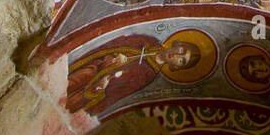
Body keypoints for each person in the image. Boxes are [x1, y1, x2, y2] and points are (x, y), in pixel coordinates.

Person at [64, 34, 200, 114]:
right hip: (93, 65)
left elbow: (116, 94)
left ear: (175, 66)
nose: (176, 55)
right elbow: (118, 42)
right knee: (74, 79)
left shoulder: (147, 75)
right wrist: (116, 54)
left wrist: (102, 86)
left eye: (180, 60)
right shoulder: (149, 42)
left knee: (71, 101)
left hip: (91, 88)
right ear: (177, 44)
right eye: (181, 50)